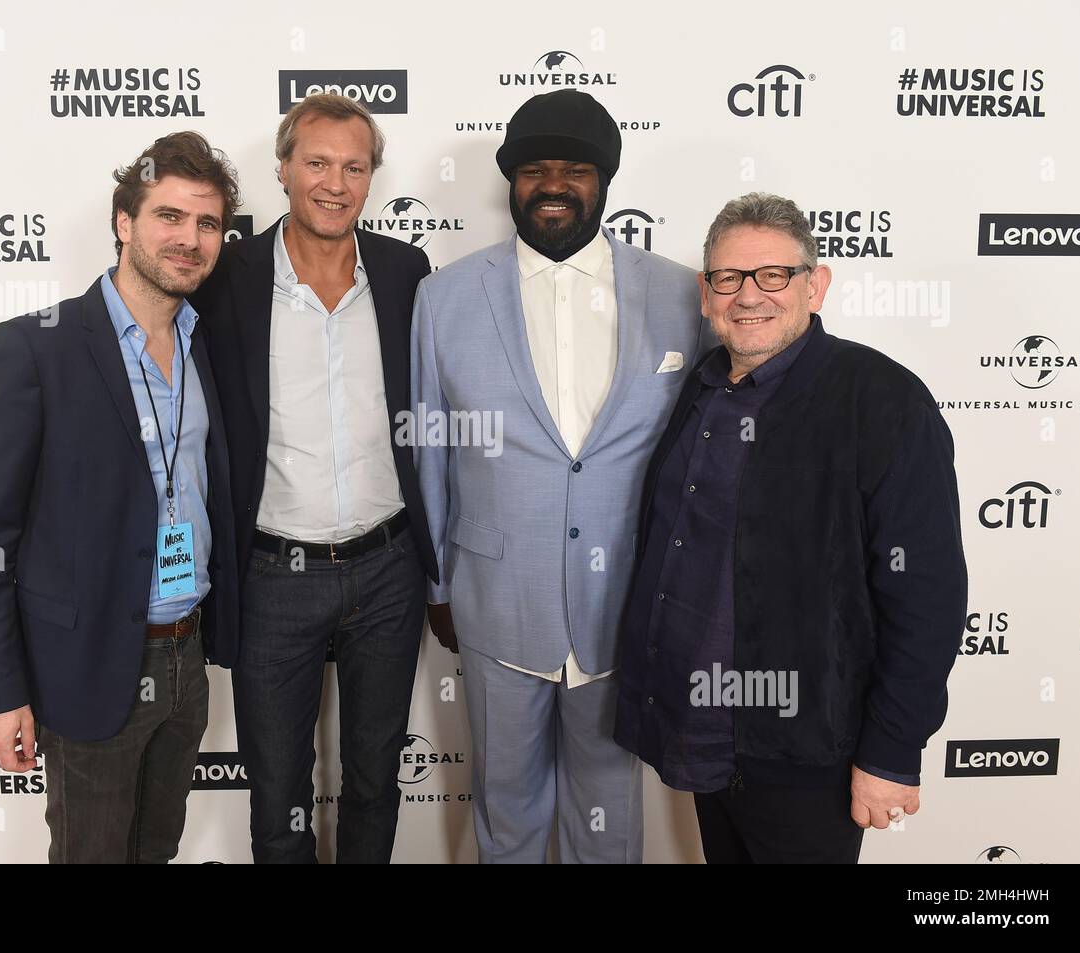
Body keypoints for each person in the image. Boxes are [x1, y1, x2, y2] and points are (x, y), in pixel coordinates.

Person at [614, 192, 967, 863]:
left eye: (772, 274)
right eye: (729, 277)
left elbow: (927, 596)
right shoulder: (701, 387)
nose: (750, 295)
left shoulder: (882, 400)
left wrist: (893, 750)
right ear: (706, 291)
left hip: (807, 754)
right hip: (704, 733)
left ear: (816, 283)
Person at [412, 89, 709, 863]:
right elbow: (431, 452)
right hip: (494, 604)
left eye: (575, 169)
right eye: (534, 168)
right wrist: (439, 585)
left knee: (608, 815)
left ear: (604, 181)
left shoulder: (683, 293)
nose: (553, 184)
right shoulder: (443, 298)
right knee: (504, 814)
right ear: (510, 181)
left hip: (627, 608)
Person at [0, 131, 241, 863]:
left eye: (207, 224)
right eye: (169, 217)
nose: (190, 239)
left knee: (156, 850)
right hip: (89, 661)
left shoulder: (207, 342)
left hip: (187, 657)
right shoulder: (36, 347)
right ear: (124, 221)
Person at [187, 94, 438, 863]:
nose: (335, 182)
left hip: (390, 567)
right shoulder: (225, 275)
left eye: (353, 166)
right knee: (277, 794)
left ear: (371, 177)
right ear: (285, 169)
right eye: (318, 162)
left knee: (373, 780)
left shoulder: (405, 271)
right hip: (273, 574)